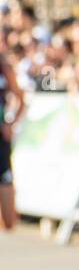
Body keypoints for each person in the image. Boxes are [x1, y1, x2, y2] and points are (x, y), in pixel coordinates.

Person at [0, 39, 26, 230]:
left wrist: (11, 122)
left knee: (5, 177)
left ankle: (9, 223)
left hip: (1, 133)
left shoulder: (3, 67)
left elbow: (21, 98)